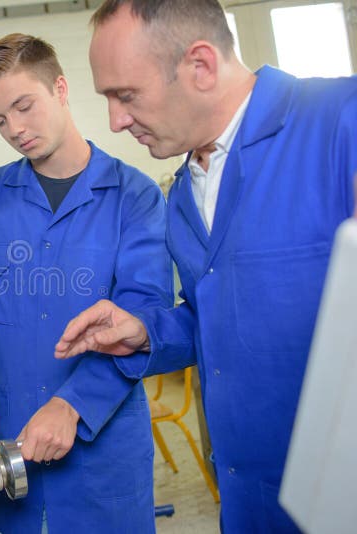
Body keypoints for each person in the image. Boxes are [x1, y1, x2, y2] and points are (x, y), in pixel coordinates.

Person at [55, 1, 357, 532]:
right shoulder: (183, 197)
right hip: (249, 502)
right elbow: (214, 318)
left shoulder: (339, 124)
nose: (115, 121)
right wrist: (145, 332)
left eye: (126, 95)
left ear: (200, 65)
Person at [0, 33, 173, 533]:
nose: (16, 130)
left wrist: (74, 405)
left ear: (60, 89)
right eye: (0, 121)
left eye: (24, 106)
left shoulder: (135, 198)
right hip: (10, 448)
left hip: (103, 451)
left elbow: (143, 317)